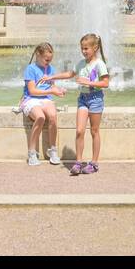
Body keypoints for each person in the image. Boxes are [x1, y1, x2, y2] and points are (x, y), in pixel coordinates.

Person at [51, 34, 111, 175]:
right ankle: (78, 162)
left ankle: (94, 163)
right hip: (83, 98)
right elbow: (70, 74)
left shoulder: (99, 64)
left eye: (86, 48)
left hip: (96, 99)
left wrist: (89, 82)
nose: (84, 51)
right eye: (82, 48)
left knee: (94, 131)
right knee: (79, 131)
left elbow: (106, 83)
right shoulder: (81, 63)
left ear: (95, 48)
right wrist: (52, 77)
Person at [20, 42, 67, 165]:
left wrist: (59, 91)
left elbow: (53, 87)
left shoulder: (51, 69)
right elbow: (32, 91)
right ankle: (32, 152)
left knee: (52, 116)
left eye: (50, 60)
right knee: (40, 117)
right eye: (46, 60)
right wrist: (51, 90)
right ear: (38, 55)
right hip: (31, 99)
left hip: (46, 98)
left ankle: (53, 150)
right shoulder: (31, 69)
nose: (48, 62)